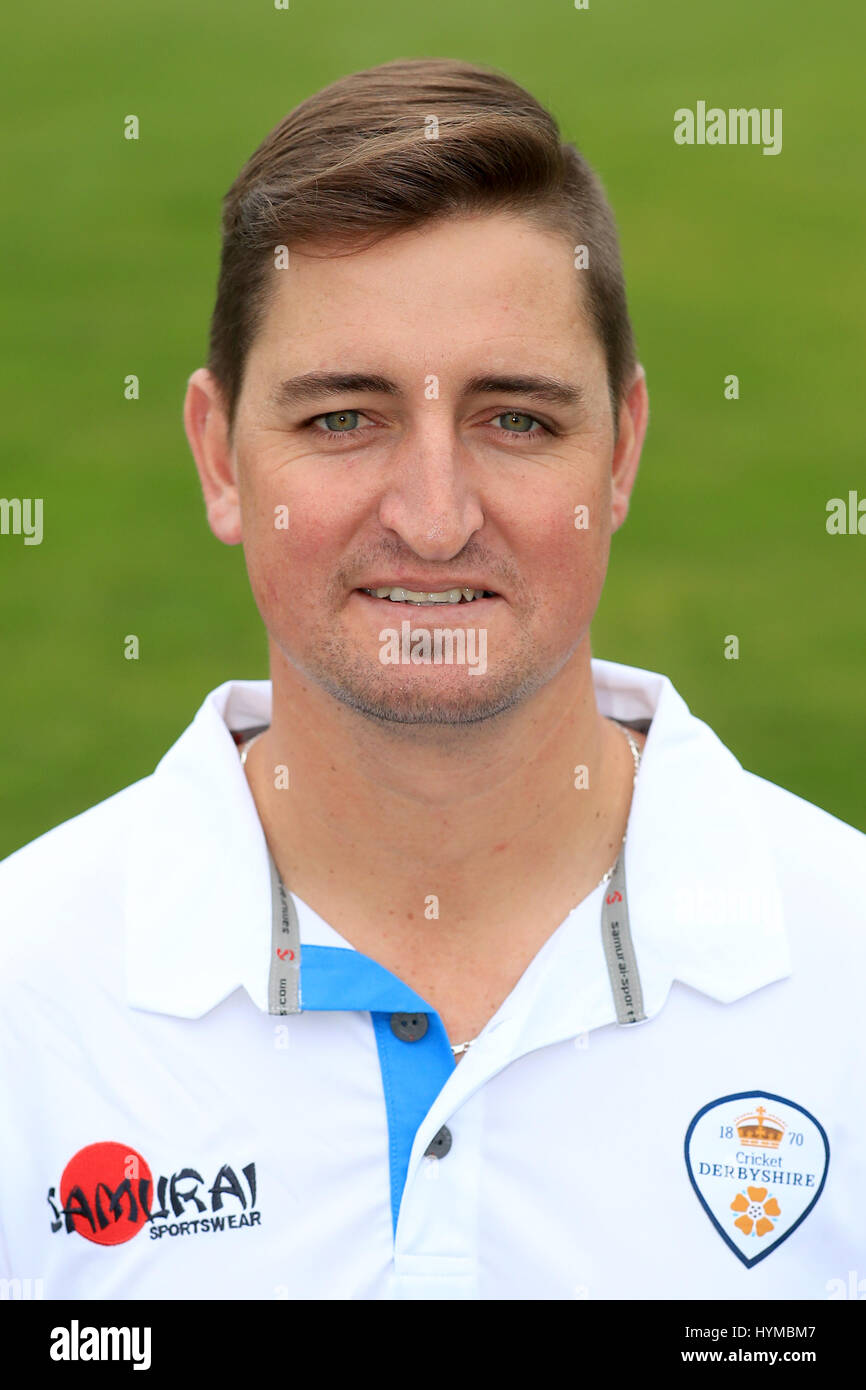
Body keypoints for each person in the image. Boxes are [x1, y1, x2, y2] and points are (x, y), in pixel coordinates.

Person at [0, 57, 863, 1302]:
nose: (435, 517)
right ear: (218, 457)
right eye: (341, 419)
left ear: (618, 453)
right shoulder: (26, 998)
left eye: (513, 419)